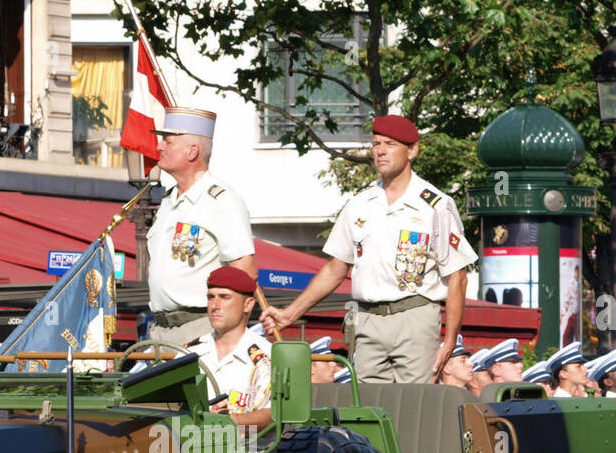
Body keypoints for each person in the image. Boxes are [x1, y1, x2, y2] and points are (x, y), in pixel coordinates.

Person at [262, 114, 476, 383]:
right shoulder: (359, 204)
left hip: (414, 316)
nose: (381, 151)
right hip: (367, 319)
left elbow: (458, 276)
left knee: (413, 407)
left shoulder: (435, 205)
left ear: (412, 150)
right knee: (366, 409)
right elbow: (335, 268)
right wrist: (288, 314)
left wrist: (450, 340)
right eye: (376, 144)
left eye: (390, 144)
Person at [145, 107, 257, 347]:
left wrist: (229, 334)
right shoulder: (168, 200)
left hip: (200, 327)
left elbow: (244, 271)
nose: (159, 147)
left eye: (168, 141)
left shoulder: (221, 201)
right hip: (160, 329)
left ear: (192, 151)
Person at [186, 268, 272, 430]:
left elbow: (274, 414)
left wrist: (227, 421)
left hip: (250, 452)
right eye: (211, 297)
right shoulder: (190, 353)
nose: (215, 305)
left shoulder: (266, 357)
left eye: (225, 297)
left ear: (248, 305)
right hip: (191, 447)